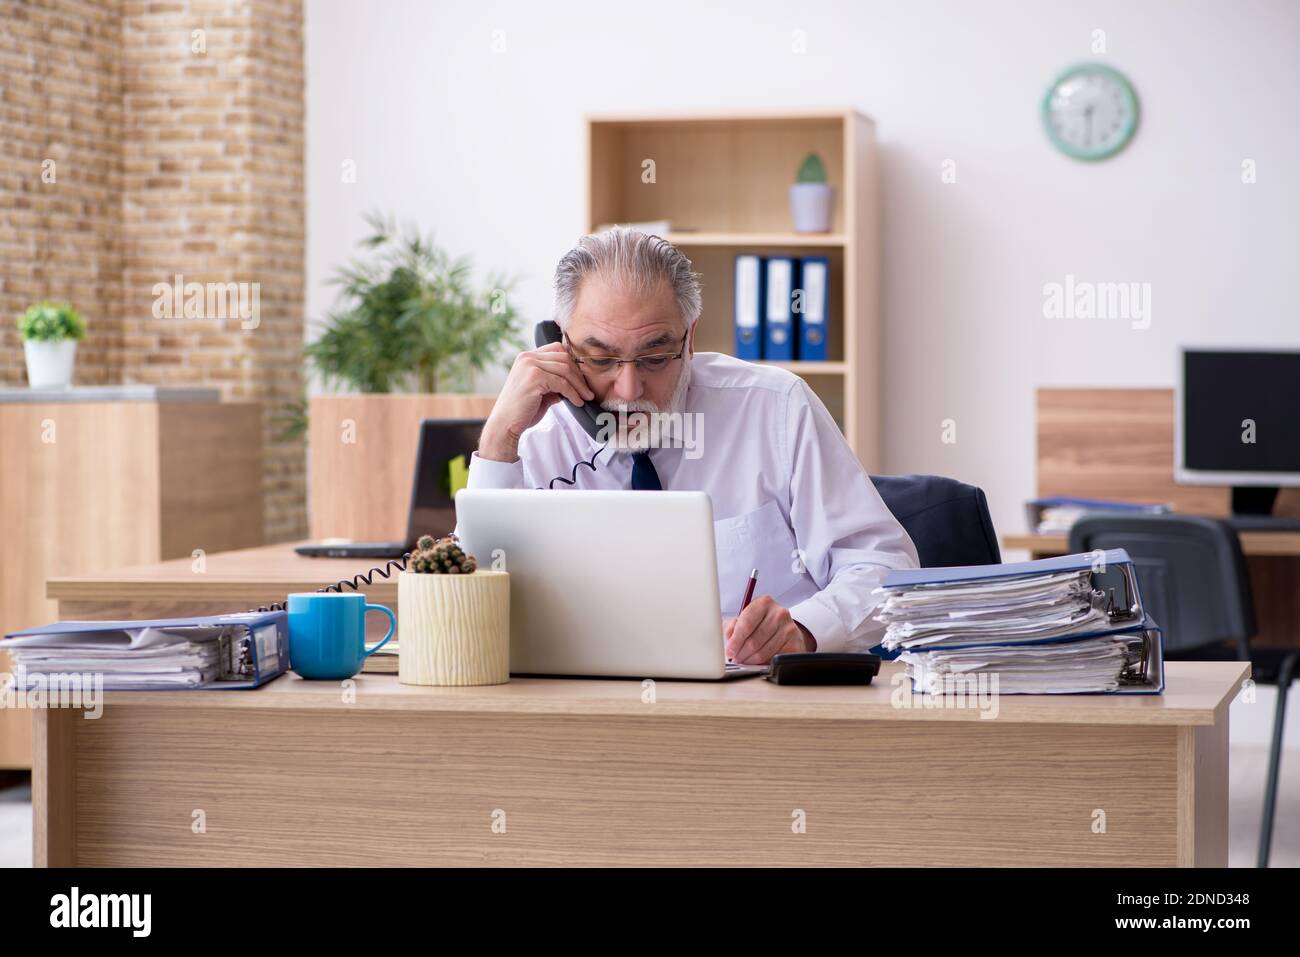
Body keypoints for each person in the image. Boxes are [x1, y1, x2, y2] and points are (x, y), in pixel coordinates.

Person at [468, 228, 918, 664]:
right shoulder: (536, 441)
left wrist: (803, 629)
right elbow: (474, 614)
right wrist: (497, 440)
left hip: (761, 709)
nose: (627, 389)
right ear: (560, 346)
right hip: (589, 708)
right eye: (601, 359)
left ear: (690, 339)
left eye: (654, 357)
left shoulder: (775, 408)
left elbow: (883, 568)